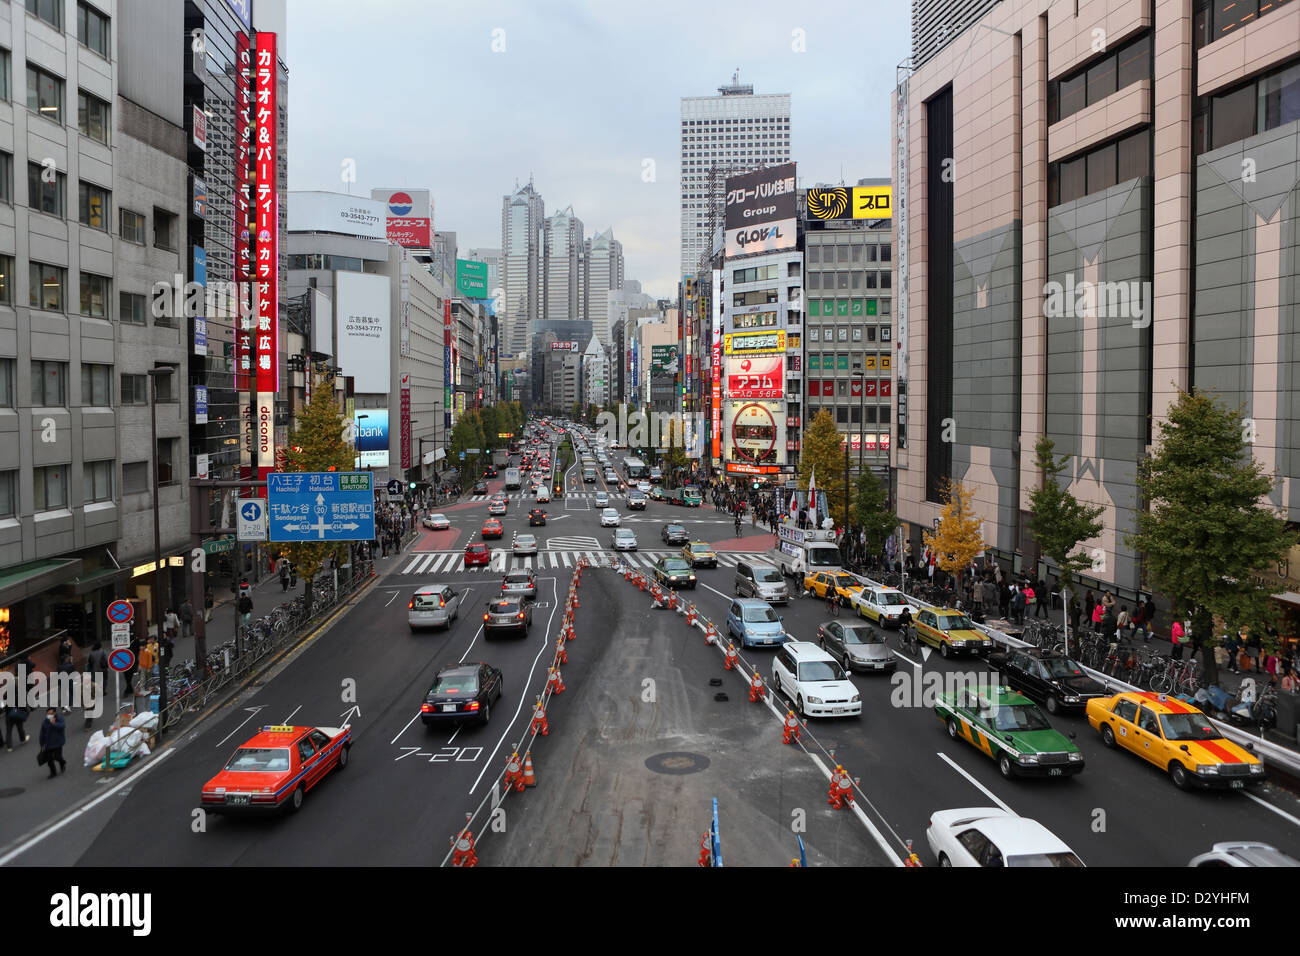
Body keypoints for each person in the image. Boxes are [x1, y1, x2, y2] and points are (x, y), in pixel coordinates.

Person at [38, 709, 67, 778]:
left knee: (57, 757)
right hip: (48, 744)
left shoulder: (59, 719)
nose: (49, 715)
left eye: (51, 713)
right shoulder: (45, 722)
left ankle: (62, 763)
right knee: (49, 760)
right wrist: (41, 744)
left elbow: (62, 726)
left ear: (54, 713)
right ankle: (53, 772)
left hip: (58, 743)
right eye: (48, 714)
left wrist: (54, 723)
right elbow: (42, 733)